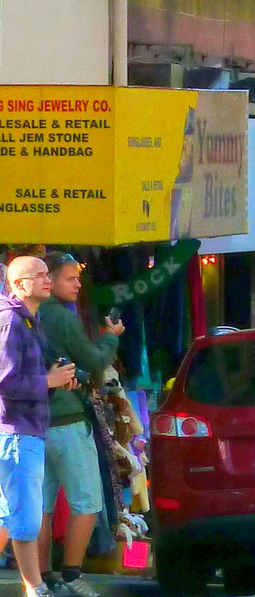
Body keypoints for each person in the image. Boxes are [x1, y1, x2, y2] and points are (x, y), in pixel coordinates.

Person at [37, 253, 123, 597]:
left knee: (38, 506)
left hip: (30, 422)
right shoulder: (62, 317)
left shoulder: (23, 316)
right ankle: (72, 574)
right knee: (86, 500)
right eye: (69, 278)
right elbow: (95, 361)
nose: (77, 284)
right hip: (68, 421)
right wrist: (110, 337)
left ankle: (41, 577)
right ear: (49, 280)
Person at [0, 257, 77, 597]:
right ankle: (36, 587)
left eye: (48, 274)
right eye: (41, 275)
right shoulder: (11, 322)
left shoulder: (29, 321)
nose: (49, 280)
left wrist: (60, 377)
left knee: (7, 517)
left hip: (24, 429)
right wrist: (48, 381)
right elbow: (5, 380)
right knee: (25, 518)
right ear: (19, 284)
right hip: (16, 430)